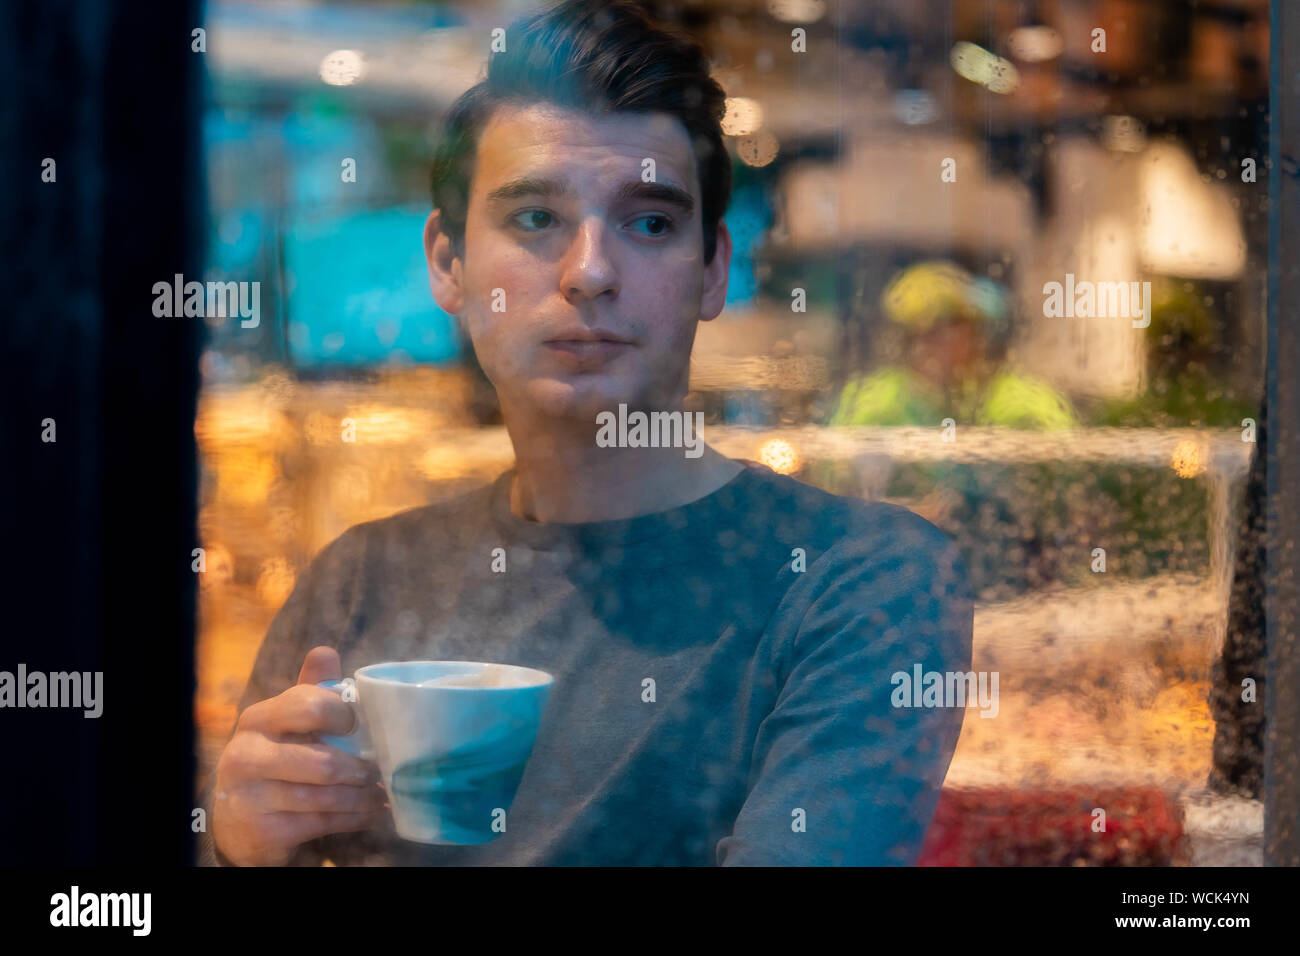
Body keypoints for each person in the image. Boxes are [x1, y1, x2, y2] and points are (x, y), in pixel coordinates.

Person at [200, 0, 973, 867]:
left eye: (649, 223)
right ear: (448, 264)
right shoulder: (359, 582)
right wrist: (237, 843)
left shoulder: (861, 581)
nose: (591, 272)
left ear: (712, 270)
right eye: (535, 220)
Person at [829, 260, 1077, 429]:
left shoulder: (1025, 405)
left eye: (947, 329)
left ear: (977, 333)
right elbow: (835, 481)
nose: (931, 346)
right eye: (917, 334)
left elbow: (1063, 480)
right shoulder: (876, 404)